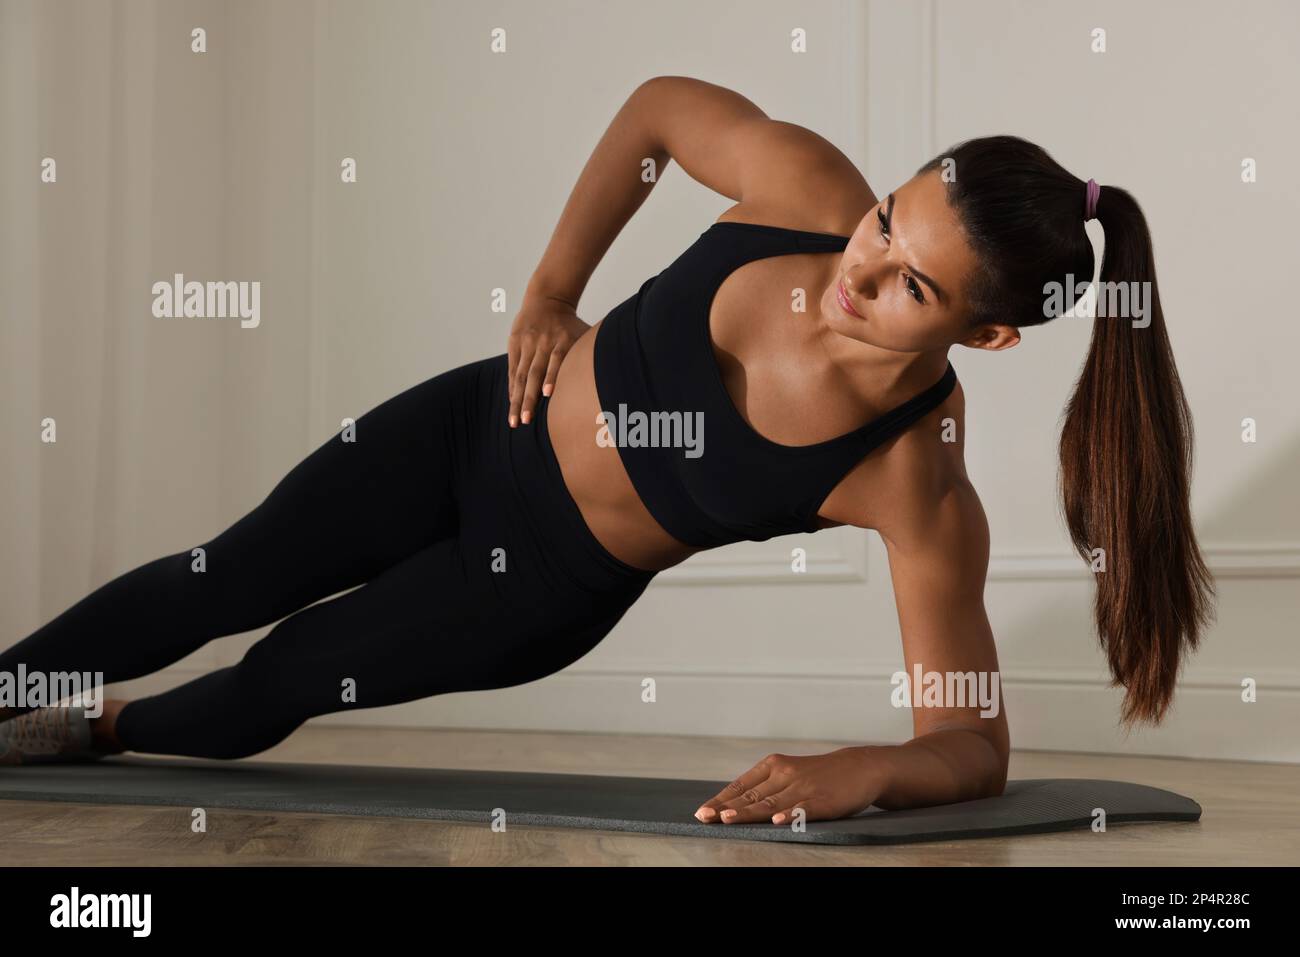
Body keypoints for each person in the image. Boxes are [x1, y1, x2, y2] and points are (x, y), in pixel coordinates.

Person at [0, 76, 1213, 826]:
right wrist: (548, 293)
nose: (862, 269)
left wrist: (863, 770)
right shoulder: (801, 187)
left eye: (910, 286)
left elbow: (971, 745)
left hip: (537, 586)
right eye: (885, 221)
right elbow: (655, 112)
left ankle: (101, 731)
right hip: (478, 423)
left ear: (986, 336)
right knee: (228, 571)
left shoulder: (911, 472)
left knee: (286, 673)